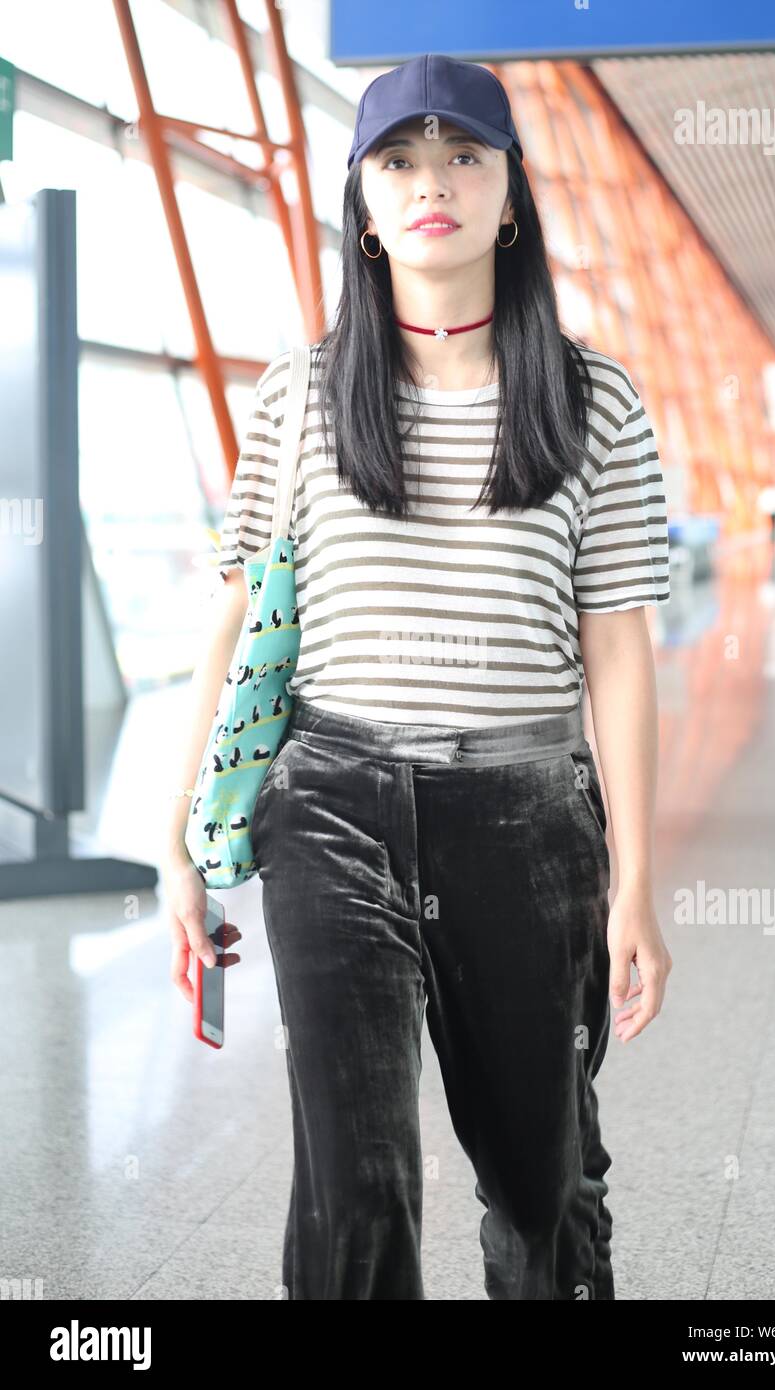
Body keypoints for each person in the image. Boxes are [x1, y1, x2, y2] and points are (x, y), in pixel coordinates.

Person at [162, 53, 673, 1300]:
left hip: (528, 816)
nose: (428, 183)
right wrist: (174, 838)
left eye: (462, 157)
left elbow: (618, 646)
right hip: (329, 807)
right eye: (396, 160)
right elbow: (238, 614)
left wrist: (640, 885)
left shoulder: (594, 398)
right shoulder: (301, 394)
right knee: (356, 1184)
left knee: (538, 1179)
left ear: (510, 200)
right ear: (364, 209)